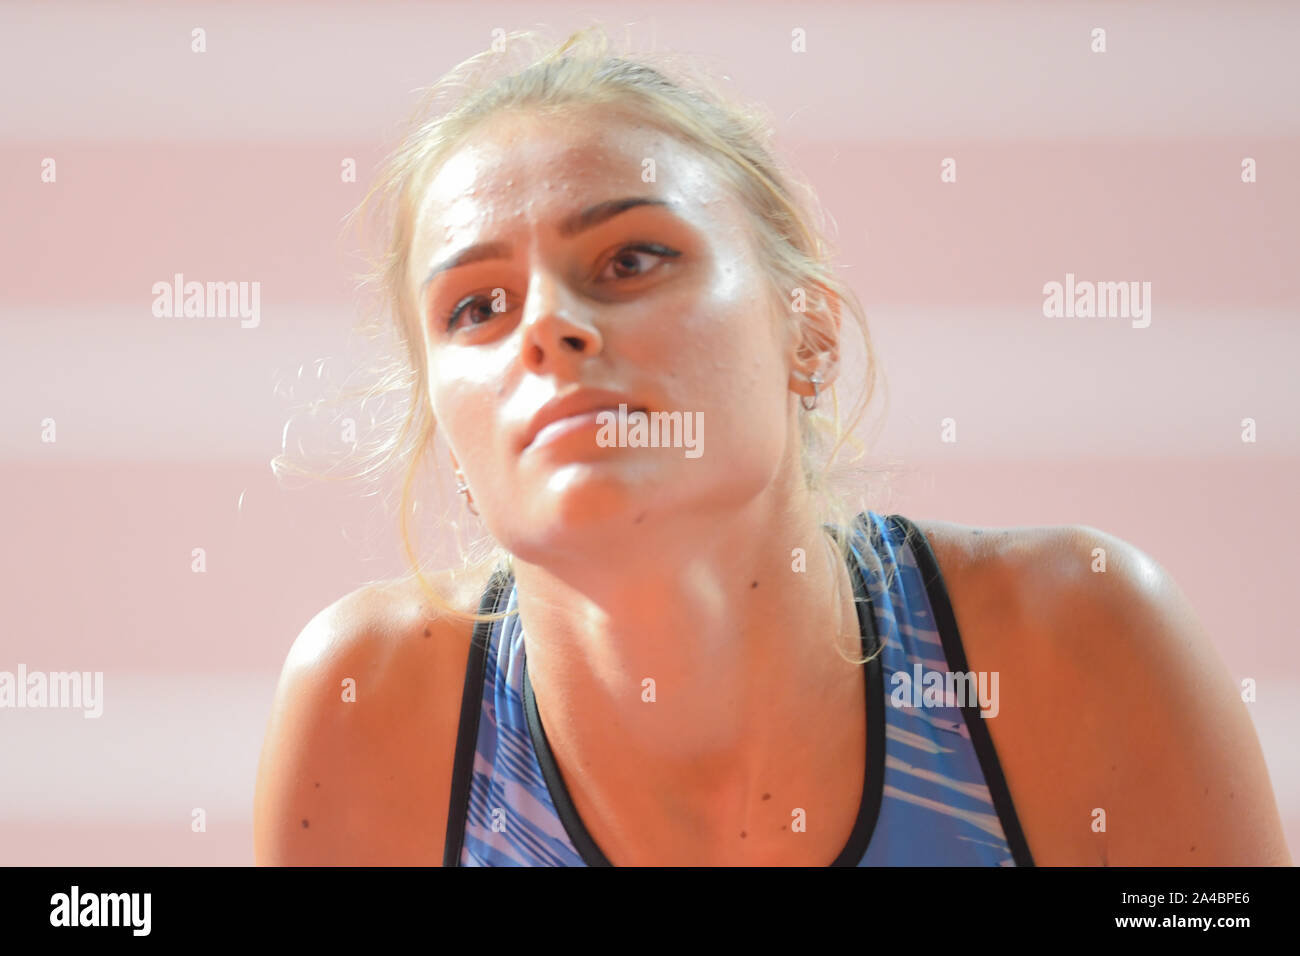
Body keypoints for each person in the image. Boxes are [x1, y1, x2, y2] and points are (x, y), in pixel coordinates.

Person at [253, 27, 1291, 866]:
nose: (546, 326)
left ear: (807, 332)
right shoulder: (375, 712)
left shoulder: (1073, 643)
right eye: (476, 306)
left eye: (630, 258)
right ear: (448, 432)